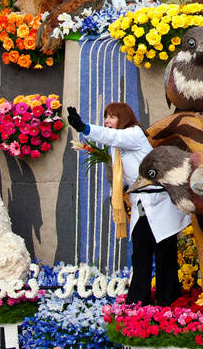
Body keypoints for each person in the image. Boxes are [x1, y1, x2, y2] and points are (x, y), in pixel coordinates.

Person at [66, 102, 190, 305]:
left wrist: (84, 128)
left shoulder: (134, 134)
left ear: (123, 118)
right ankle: (137, 302)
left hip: (159, 204)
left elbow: (113, 136)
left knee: (164, 255)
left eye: (112, 117)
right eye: (105, 117)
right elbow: (124, 177)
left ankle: (168, 302)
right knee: (140, 255)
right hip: (141, 205)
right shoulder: (118, 148)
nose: (107, 121)